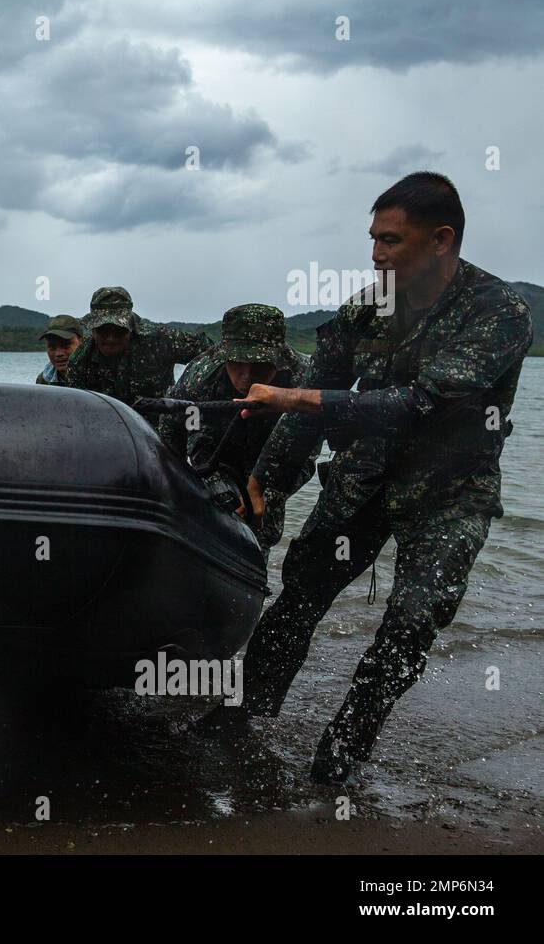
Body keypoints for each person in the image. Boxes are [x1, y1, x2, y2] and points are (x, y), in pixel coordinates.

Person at [215, 172, 534, 783]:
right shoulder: (365, 310)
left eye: (391, 240)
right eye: (373, 238)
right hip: (365, 478)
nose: (376, 254)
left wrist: (299, 398)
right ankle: (241, 715)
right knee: (299, 594)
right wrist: (266, 480)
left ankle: (344, 751)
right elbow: (319, 395)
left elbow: (420, 404)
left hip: (451, 493)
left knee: (413, 619)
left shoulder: (497, 312)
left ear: (442, 240)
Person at [158, 303, 318, 555]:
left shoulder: (304, 380)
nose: (247, 376)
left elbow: (305, 455)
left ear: (279, 357)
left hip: (274, 461)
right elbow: (174, 438)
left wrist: (268, 491)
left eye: (260, 365)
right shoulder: (200, 378)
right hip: (215, 453)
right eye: (238, 363)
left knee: (258, 533)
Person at [64, 286, 211, 405]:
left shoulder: (159, 340)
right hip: (106, 430)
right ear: (92, 330)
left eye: (119, 331)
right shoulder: (79, 362)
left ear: (131, 327)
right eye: (103, 330)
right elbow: (77, 409)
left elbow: (211, 351)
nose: (110, 338)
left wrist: (189, 389)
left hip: (158, 431)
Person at [35, 315, 83, 385]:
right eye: (52, 347)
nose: (58, 354)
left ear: (81, 342)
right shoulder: (43, 380)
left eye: (65, 345)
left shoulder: (98, 373)